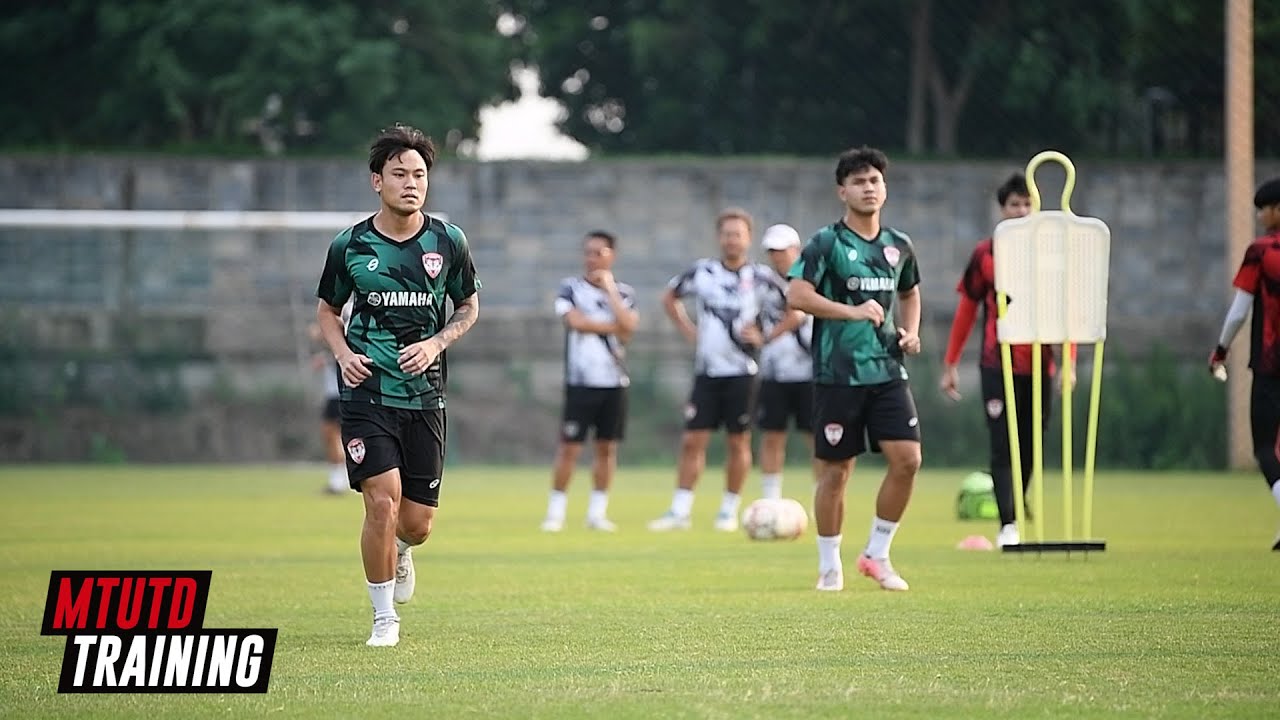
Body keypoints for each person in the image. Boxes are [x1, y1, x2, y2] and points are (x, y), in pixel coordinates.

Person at [315, 124, 481, 647]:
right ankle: (384, 618)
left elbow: (468, 306)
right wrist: (342, 355)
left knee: (416, 523)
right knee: (380, 504)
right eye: (399, 174)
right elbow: (326, 309)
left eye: (419, 175)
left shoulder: (447, 241)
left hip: (425, 396)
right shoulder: (351, 244)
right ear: (376, 181)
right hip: (367, 392)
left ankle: (402, 552)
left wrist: (436, 344)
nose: (411, 183)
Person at [786, 146, 922, 592]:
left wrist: (911, 331)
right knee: (836, 472)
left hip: (886, 369)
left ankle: (877, 555)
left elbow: (909, 292)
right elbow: (798, 296)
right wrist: (851, 311)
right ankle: (829, 565)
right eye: (859, 181)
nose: (868, 188)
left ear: (885, 188)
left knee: (908, 460)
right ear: (842, 191)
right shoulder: (826, 242)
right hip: (837, 374)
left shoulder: (898, 245)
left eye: (875, 180)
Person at [939, 173, 1071, 548]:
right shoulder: (987, 253)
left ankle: (1017, 498)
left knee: (1031, 444)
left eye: (1027, 204)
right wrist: (951, 363)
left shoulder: (1050, 253)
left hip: (1040, 365)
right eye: (1014, 204)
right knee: (1002, 443)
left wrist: (1069, 363)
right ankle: (1008, 522)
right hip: (997, 364)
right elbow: (967, 310)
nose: (1021, 211)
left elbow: (1067, 310)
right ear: (1002, 210)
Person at [649, 207, 770, 532]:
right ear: (719, 238)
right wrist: (689, 330)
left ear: (748, 238)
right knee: (692, 440)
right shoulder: (702, 272)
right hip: (707, 372)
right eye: (727, 233)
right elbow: (669, 298)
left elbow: (794, 309)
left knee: (738, 443)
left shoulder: (759, 277)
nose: (732, 240)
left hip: (743, 372)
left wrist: (765, 336)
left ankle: (728, 511)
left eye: (738, 234)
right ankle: (679, 511)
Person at [541, 230, 639, 533]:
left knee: (606, 449)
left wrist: (609, 292)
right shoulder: (571, 288)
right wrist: (614, 327)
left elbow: (630, 327)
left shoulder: (624, 293)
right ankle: (556, 512)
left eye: (598, 253)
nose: (591, 259)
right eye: (588, 252)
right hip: (580, 382)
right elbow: (576, 322)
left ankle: (597, 512)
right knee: (569, 447)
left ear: (612, 256)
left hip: (614, 383)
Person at [1209, 177, 1280, 550]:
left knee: (1266, 448)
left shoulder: (1262, 251)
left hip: (1271, 365)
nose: (1259, 215)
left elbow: (1239, 311)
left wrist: (1221, 349)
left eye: (1263, 208)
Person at [755, 224, 814, 500]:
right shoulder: (763, 284)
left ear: (796, 249)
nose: (777, 256)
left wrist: (766, 337)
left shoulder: (812, 279)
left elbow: (797, 315)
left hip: (810, 372)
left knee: (815, 438)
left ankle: (821, 497)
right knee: (772, 436)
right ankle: (770, 499)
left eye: (782, 250)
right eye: (773, 252)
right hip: (774, 372)